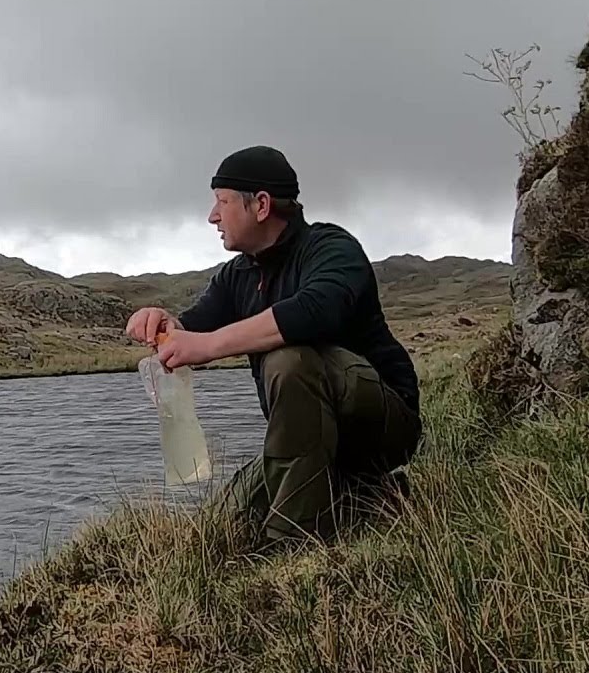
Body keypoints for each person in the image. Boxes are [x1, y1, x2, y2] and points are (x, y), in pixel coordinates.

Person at [124, 144, 423, 546]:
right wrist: (165, 325)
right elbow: (192, 327)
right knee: (236, 514)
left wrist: (209, 345)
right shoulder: (237, 275)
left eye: (222, 202)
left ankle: (293, 545)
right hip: (312, 438)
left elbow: (314, 311)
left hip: (383, 425)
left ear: (261, 205)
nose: (212, 216)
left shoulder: (331, 248)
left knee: (289, 359)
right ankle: (374, 497)